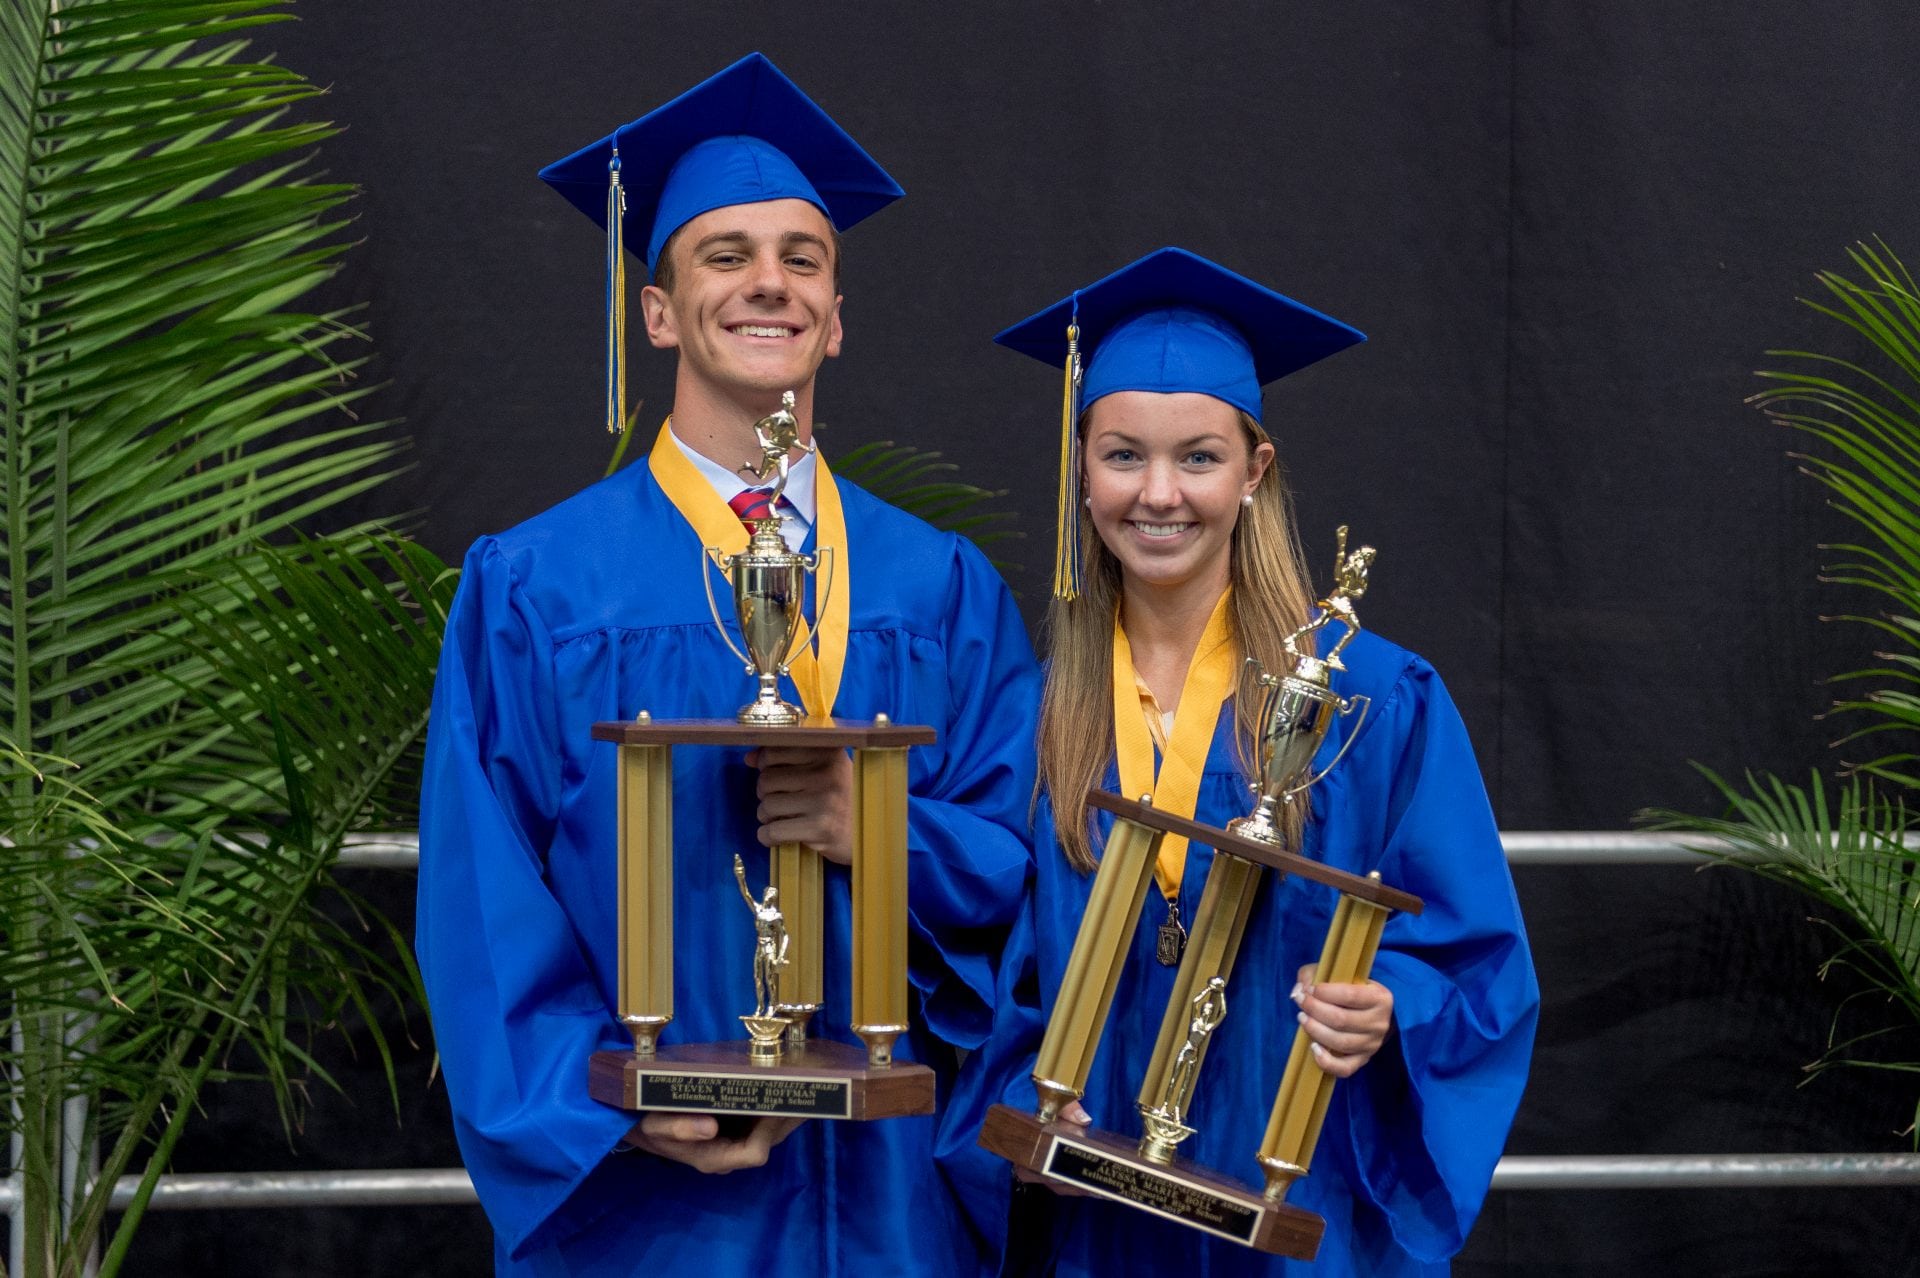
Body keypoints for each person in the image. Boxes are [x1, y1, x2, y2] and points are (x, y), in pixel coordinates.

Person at [416, 53, 1040, 1276]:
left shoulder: (939, 585)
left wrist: (891, 831)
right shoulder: (540, 585)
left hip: (888, 1205)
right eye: (726, 255)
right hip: (653, 1213)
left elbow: (1030, 865)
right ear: (657, 313)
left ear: (838, 317)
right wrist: (605, 1098)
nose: (771, 283)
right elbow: (482, 900)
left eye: (802, 259)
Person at [939, 248, 1539, 1276]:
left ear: (1255, 471)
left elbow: (1473, 956)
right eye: (1124, 455)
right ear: (1080, 469)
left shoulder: (1370, 702)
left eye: (1200, 458)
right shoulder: (1031, 716)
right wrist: (1017, 1097)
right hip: (1095, 1225)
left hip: (1295, 1218)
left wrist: (1390, 1004)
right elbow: (976, 965)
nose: (1160, 494)